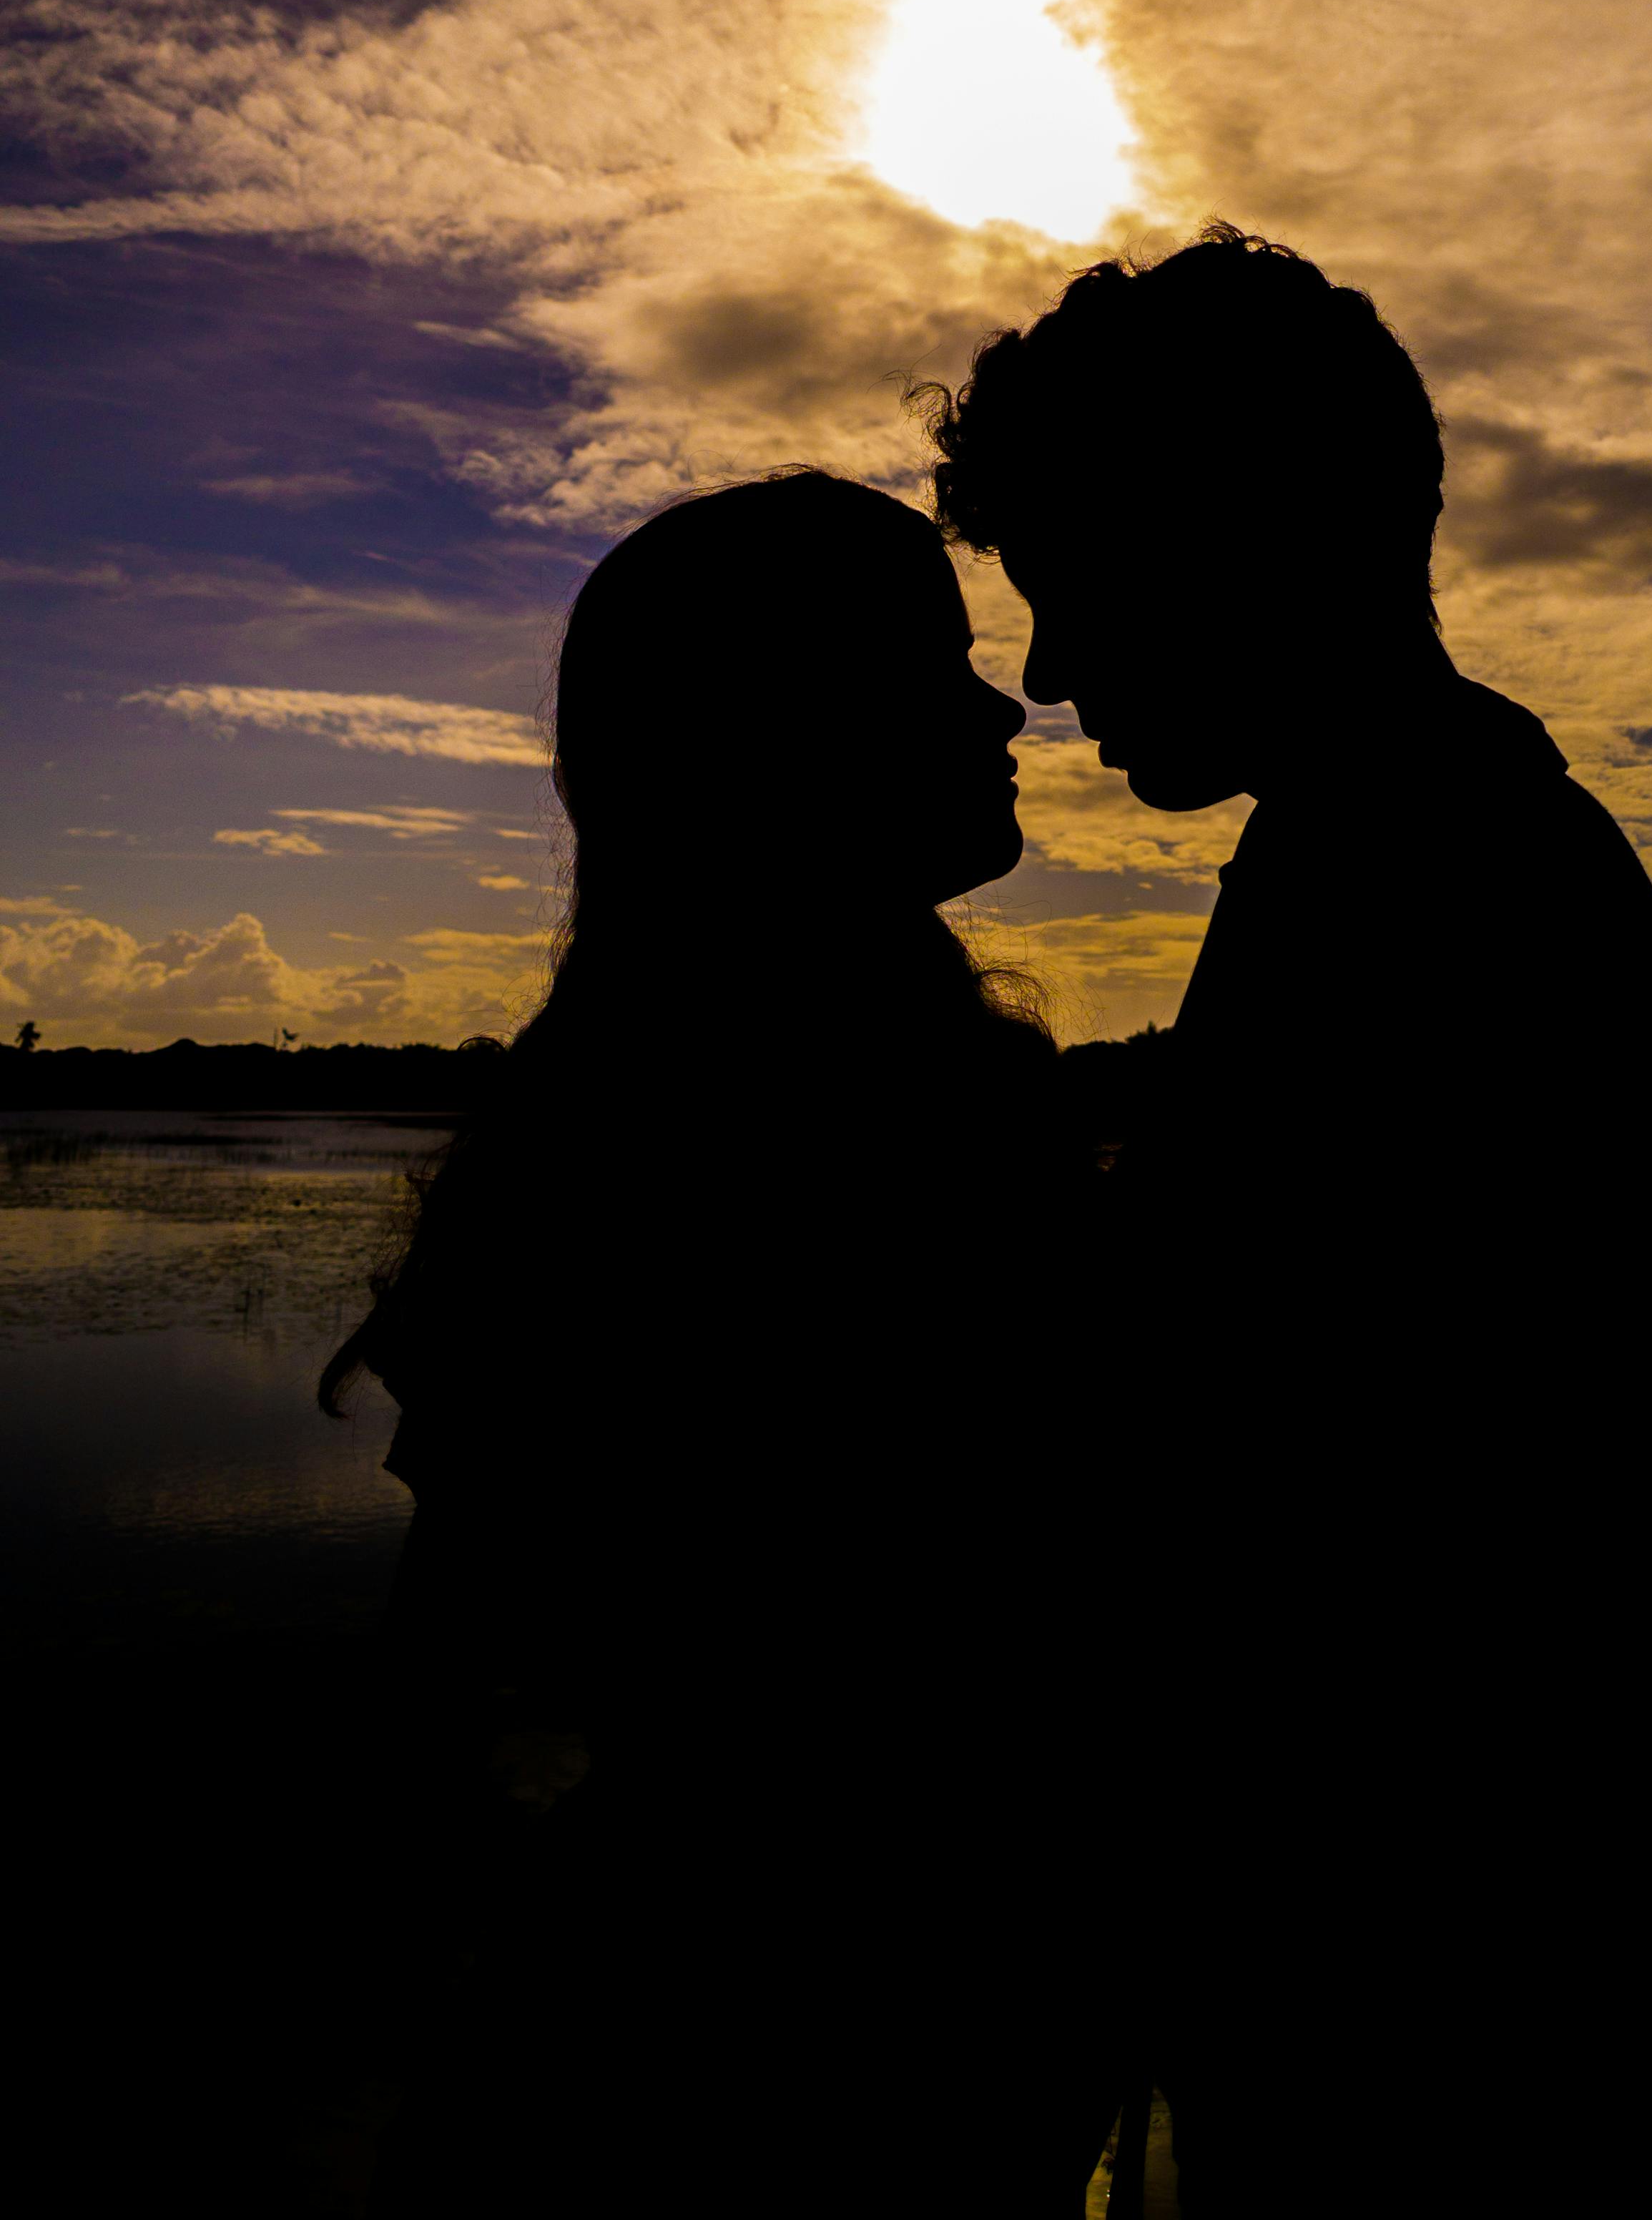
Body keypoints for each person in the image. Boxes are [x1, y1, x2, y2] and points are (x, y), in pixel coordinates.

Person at [922, 224, 1652, 2207]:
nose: (1049, 675)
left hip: (1471, 2092)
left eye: (1070, 585)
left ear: (1234, 537)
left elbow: (1298, 1546)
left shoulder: (1423, 899)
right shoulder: (1414, 855)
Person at [320, 471, 1116, 2215]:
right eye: (937, 669)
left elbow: (436, 1687)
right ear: (791, 736)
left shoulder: (601, 1120)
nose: (1007, 710)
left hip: (687, 2038)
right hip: (793, 2080)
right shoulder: (875, 1142)